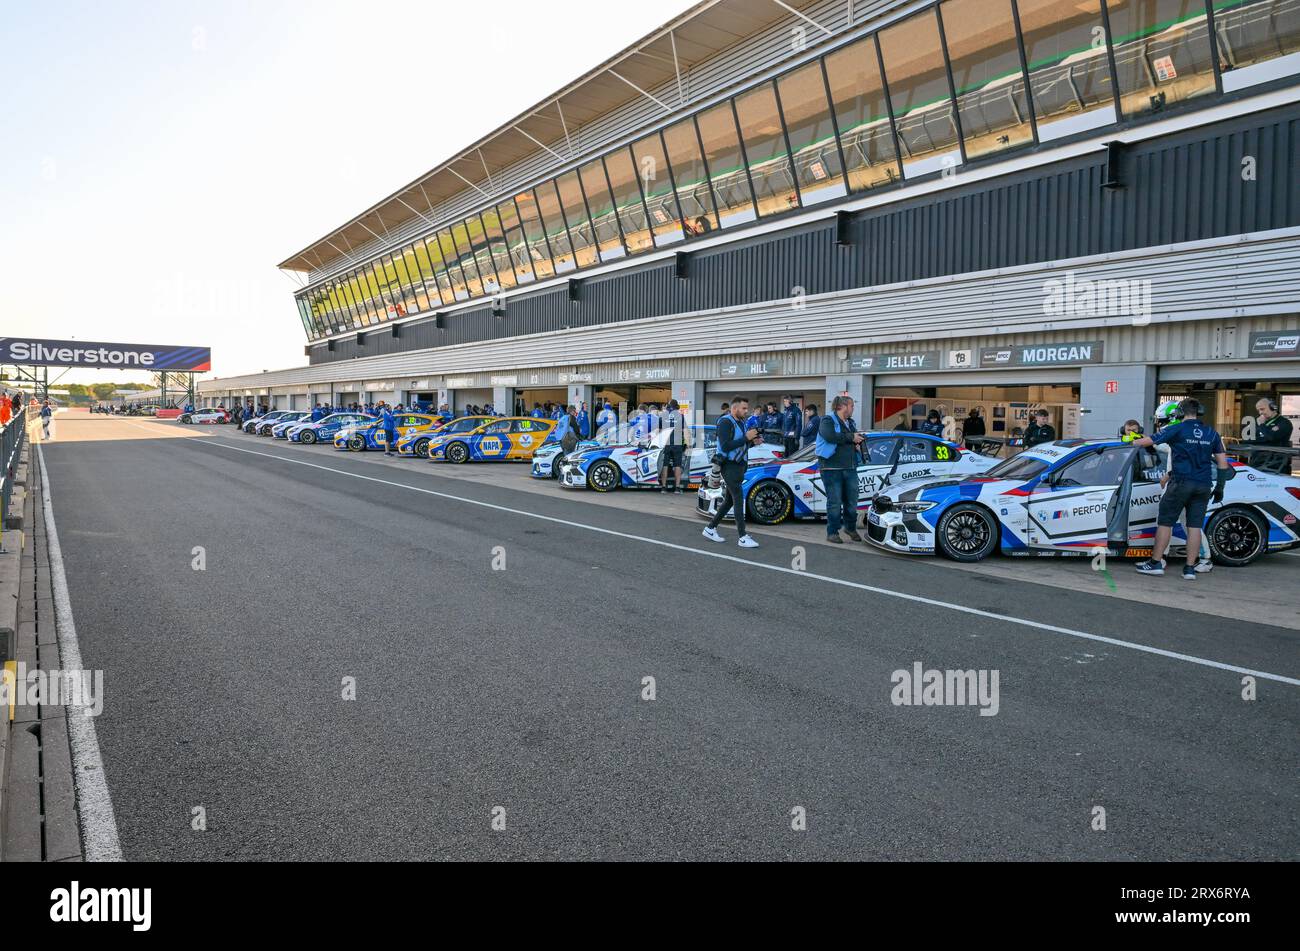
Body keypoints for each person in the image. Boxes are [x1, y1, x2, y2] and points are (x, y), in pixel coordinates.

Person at [1132, 399, 1228, 580]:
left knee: (1165, 522)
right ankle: (1190, 569)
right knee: (1194, 526)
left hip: (1181, 483)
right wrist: (1220, 487)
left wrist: (1130, 442)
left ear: (1179, 413)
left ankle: (1155, 563)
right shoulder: (1211, 433)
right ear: (1199, 411)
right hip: (1204, 485)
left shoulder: (1176, 429)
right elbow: (1223, 463)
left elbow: (1148, 441)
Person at [702, 397, 762, 549]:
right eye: (744, 408)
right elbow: (726, 445)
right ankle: (742, 537)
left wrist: (752, 442)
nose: (746, 411)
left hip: (739, 466)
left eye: (747, 408)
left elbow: (741, 446)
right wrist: (746, 438)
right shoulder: (725, 422)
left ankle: (710, 528)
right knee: (738, 498)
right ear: (734, 408)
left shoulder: (741, 422)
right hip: (729, 466)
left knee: (729, 500)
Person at [817, 395, 865, 543]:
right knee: (835, 502)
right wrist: (851, 437)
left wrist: (858, 443)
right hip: (831, 468)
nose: (853, 409)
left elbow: (849, 438)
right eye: (851, 406)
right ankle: (832, 532)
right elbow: (830, 436)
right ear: (843, 406)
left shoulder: (850, 422)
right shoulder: (827, 420)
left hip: (850, 467)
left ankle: (850, 528)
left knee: (852, 501)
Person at [659, 400, 687, 494]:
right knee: (677, 465)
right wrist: (687, 443)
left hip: (665, 444)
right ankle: (677, 488)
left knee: (665, 465)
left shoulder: (663, 416)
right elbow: (685, 431)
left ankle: (663, 487)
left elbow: (658, 431)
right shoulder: (680, 416)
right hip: (677, 444)